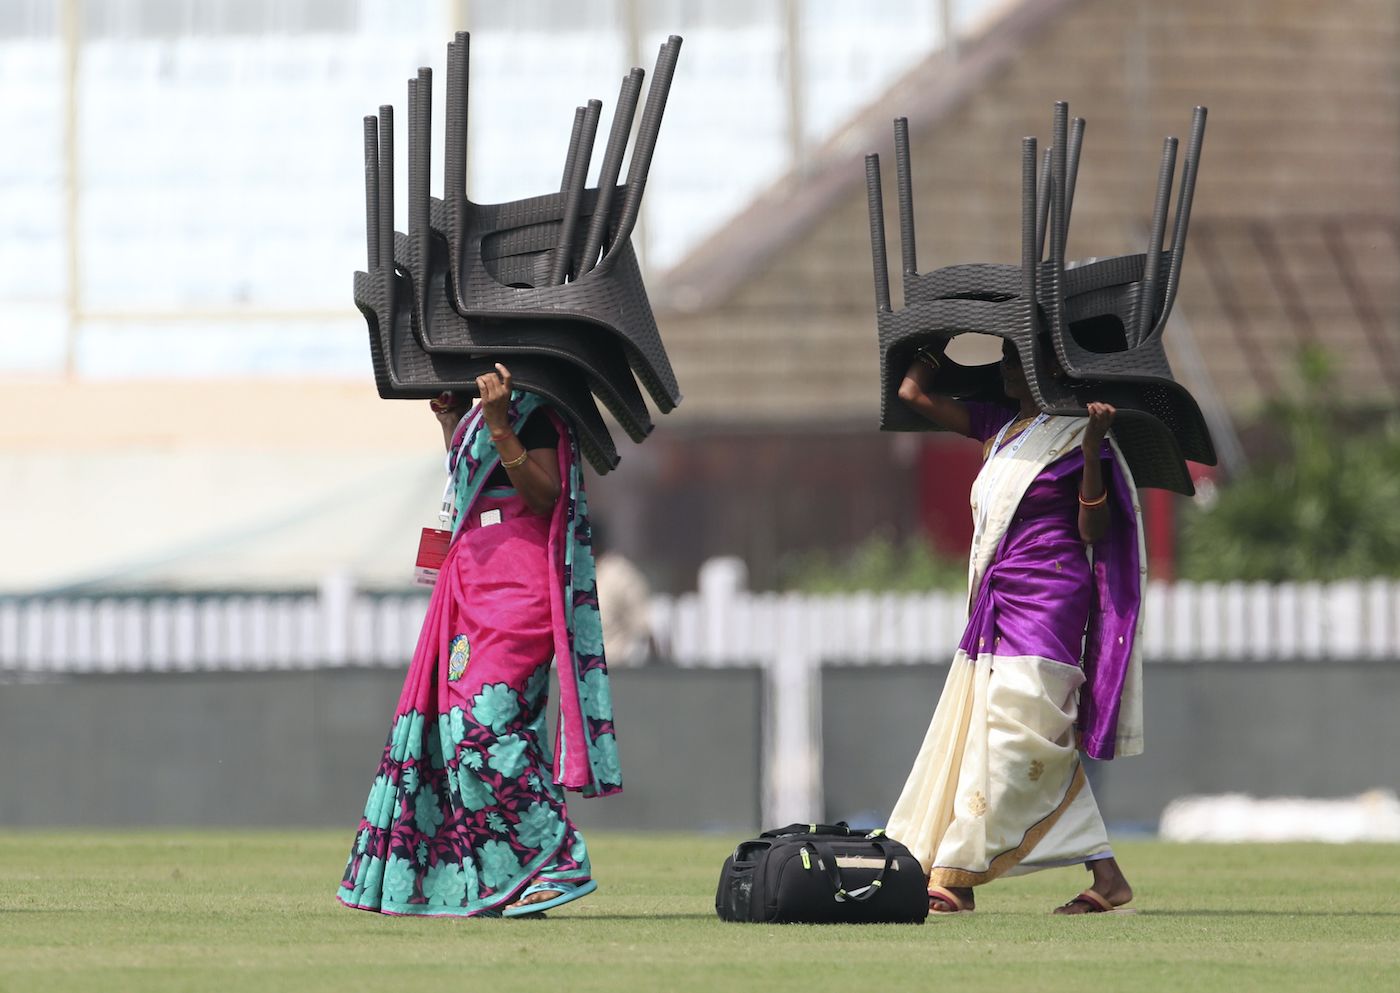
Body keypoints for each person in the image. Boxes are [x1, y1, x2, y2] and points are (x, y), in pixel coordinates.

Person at [338, 363, 621, 919]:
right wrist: (453, 421)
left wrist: (498, 425)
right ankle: (508, 877)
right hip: (470, 582)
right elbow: (467, 487)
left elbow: (543, 496)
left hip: (518, 587)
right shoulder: (482, 411)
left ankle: (560, 859)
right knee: (457, 736)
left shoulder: (539, 408)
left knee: (489, 727)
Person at [885, 338, 1146, 916]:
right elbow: (912, 393)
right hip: (1000, 594)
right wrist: (934, 338)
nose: (1001, 367)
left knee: (1020, 724)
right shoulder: (1002, 427)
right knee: (1014, 729)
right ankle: (1107, 879)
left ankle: (958, 876)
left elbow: (1091, 529)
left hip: (1052, 595)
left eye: (1012, 357)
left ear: (1046, 367)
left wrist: (1096, 443)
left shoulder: (1079, 434)